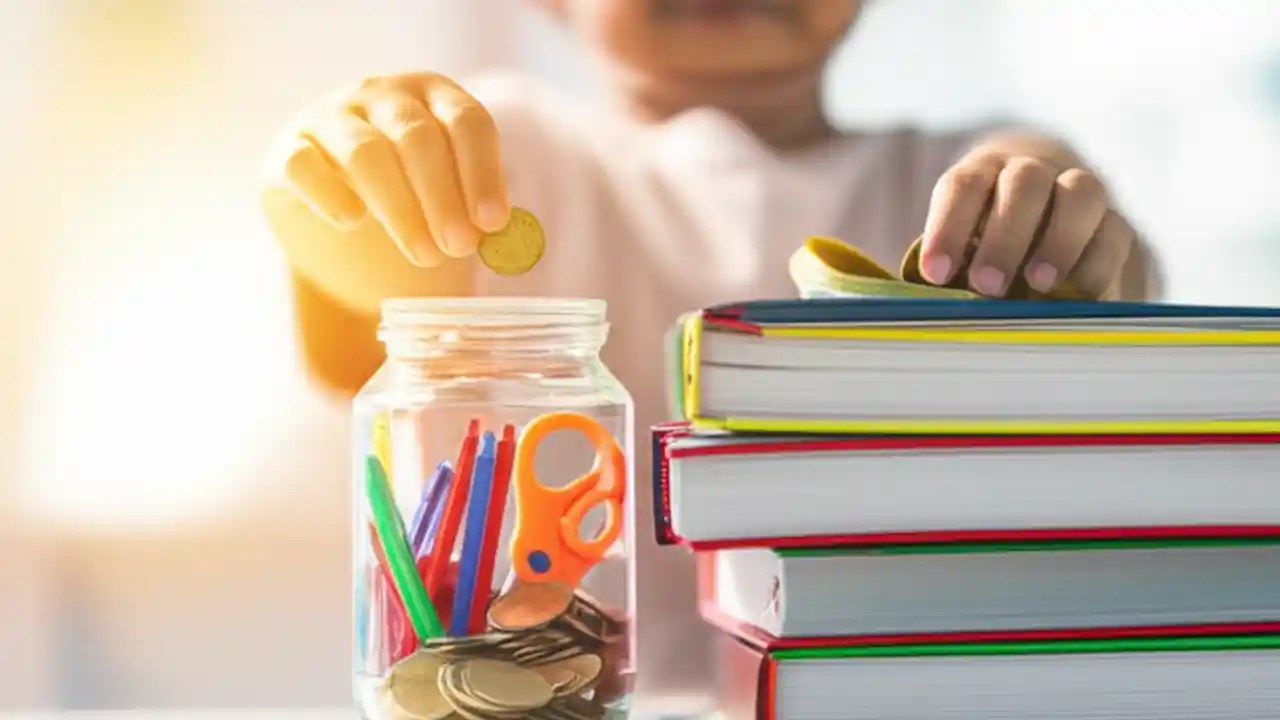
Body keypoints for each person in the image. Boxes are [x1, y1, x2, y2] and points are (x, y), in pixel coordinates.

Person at [259, 0, 1157, 695]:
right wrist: (327, 195)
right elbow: (353, 308)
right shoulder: (490, 154)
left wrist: (1060, 230)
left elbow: (1127, 307)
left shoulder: (966, 175)